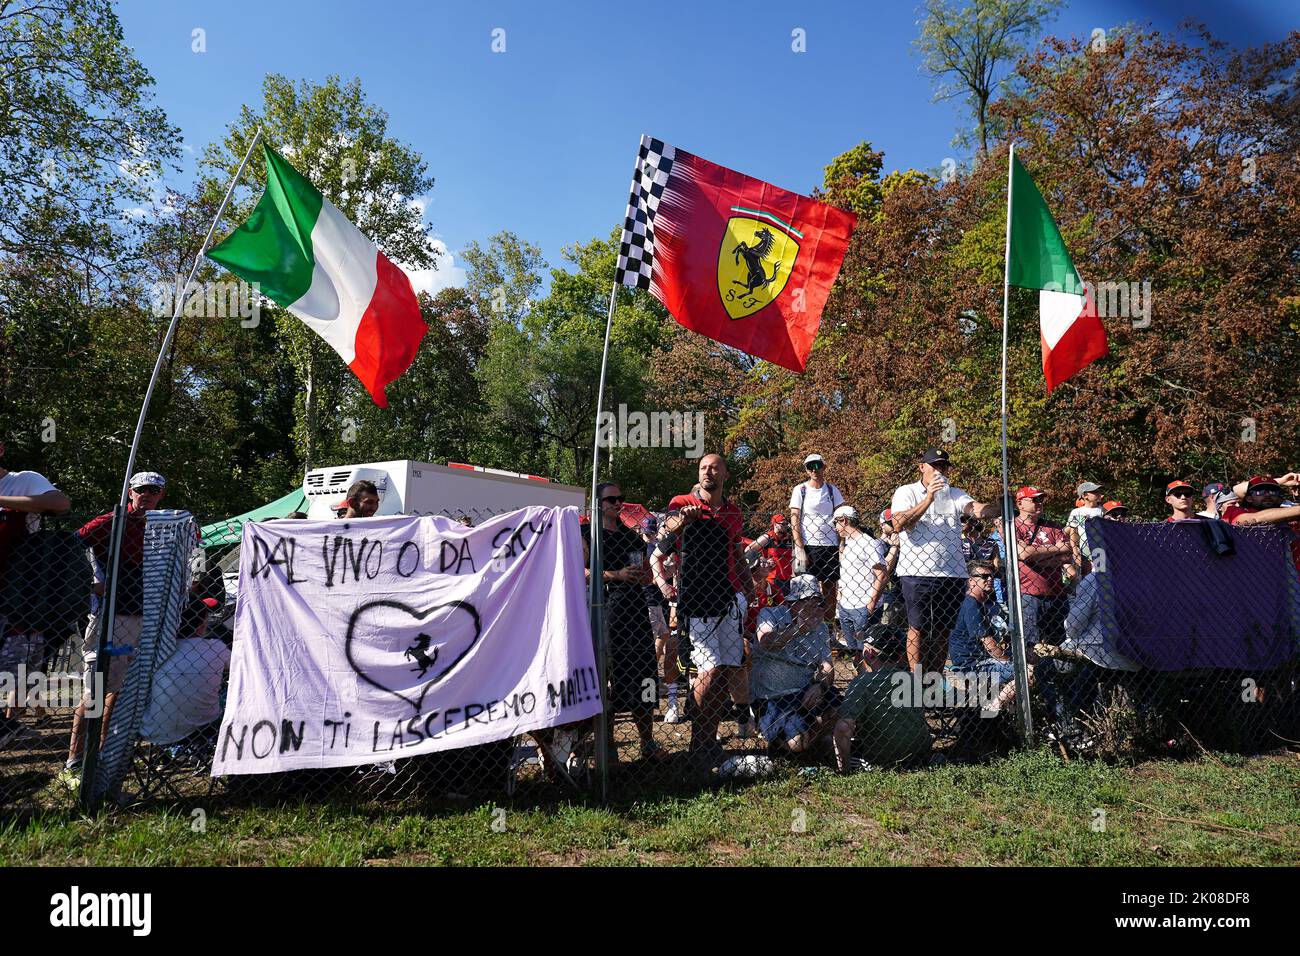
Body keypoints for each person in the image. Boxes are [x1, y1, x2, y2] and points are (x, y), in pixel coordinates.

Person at [61, 471, 167, 787]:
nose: (146, 495)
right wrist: (92, 580)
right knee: (94, 690)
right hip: (110, 616)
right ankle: (74, 760)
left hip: (142, 617)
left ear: (161, 495)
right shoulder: (112, 521)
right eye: (140, 490)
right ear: (130, 492)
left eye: (153, 490)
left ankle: (103, 756)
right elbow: (73, 544)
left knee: (118, 693)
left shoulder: (163, 527)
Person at [654, 454, 755, 768]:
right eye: (702, 468)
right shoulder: (682, 501)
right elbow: (665, 529)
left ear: (725, 472)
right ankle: (698, 742)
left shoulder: (733, 511)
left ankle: (709, 740)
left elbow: (736, 549)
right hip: (697, 600)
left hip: (729, 598)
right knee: (707, 672)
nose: (708, 472)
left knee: (726, 669)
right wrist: (683, 518)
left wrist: (747, 585)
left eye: (714, 467)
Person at [890, 447, 1000, 675]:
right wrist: (929, 498)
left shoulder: (955, 493)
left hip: (952, 572)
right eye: (935, 465)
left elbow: (976, 509)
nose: (940, 470)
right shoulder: (906, 491)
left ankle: (933, 681)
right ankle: (915, 681)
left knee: (942, 630)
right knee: (917, 628)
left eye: (943, 466)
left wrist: (1000, 507)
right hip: (917, 571)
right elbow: (899, 523)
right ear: (922, 467)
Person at [0, 441, 71, 748]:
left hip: (16, 594)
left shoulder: (22, 479)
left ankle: (9, 724)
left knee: (23, 669)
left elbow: (60, 504)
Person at [583, 482, 659, 759]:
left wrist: (641, 576)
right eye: (611, 499)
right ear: (597, 504)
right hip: (604, 611)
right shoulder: (587, 533)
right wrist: (616, 575)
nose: (618, 503)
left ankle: (647, 741)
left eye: (621, 498)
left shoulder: (631, 537)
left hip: (636, 612)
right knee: (608, 676)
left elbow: (650, 576)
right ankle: (608, 745)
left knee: (646, 674)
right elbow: (580, 570)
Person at [751, 574, 837, 758]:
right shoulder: (770, 614)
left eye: (817, 600)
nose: (813, 606)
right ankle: (799, 743)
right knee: (797, 743)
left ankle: (810, 740)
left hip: (806, 691)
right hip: (775, 696)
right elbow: (766, 642)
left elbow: (828, 666)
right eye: (807, 600)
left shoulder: (820, 626)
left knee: (843, 710)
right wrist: (799, 629)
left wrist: (819, 686)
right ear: (792, 602)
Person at [139, 597, 230, 750]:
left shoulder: (156, 651)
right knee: (229, 691)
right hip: (204, 728)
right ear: (202, 625)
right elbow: (238, 668)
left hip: (152, 730)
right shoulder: (216, 647)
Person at [946, 560, 1020, 714]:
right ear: (971, 581)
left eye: (992, 576)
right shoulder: (972, 605)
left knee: (1031, 657)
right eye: (984, 576)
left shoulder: (981, 603)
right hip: (973, 666)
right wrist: (1009, 661)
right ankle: (995, 705)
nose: (990, 579)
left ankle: (1008, 709)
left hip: (983, 661)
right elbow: (990, 645)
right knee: (1026, 670)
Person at [1011, 486, 1072, 647]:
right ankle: (1032, 672)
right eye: (1034, 499)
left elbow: (1068, 554)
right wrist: (1056, 549)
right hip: (1028, 594)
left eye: (1040, 499)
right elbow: (1023, 554)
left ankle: (1056, 673)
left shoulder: (1053, 526)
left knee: (1059, 644)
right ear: (1020, 504)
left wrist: (1036, 557)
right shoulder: (1012, 525)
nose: (1039, 503)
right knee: (1031, 644)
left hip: (1057, 594)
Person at [789, 454, 844, 624]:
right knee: (805, 589)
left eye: (817, 465)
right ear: (806, 470)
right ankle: (805, 627)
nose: (814, 469)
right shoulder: (800, 490)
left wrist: (842, 543)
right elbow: (794, 518)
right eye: (810, 466)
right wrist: (799, 548)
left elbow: (841, 516)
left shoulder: (832, 490)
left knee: (829, 589)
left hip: (830, 545)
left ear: (824, 466)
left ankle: (828, 629)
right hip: (808, 546)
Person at [833, 505, 888, 673]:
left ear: (844, 520)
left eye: (836, 523)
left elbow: (881, 575)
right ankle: (860, 686)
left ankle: (871, 687)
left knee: (868, 654)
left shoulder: (868, 543)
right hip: (846, 606)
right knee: (855, 654)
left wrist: (870, 605)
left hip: (863, 606)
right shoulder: (847, 544)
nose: (835, 528)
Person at [641, 515, 682, 724]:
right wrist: (665, 574)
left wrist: (669, 571)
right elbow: (651, 574)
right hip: (650, 599)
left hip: (657, 599)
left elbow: (661, 572)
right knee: (661, 635)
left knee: (664, 634)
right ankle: (652, 663)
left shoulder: (657, 546)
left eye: (651, 531)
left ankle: (653, 663)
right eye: (647, 532)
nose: (650, 535)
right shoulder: (647, 549)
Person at [1221, 476, 1300, 574]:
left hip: (1293, 576)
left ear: (1279, 498)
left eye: (1272, 492)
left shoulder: (1292, 513)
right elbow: (1249, 519)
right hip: (1255, 576)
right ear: (1249, 498)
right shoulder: (1235, 510)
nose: (1267, 495)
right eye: (1260, 492)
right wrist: (1282, 480)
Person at [745, 514, 793, 602]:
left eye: (786, 524)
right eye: (783, 524)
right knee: (771, 603)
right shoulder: (768, 537)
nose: (786, 526)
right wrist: (763, 560)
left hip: (786, 578)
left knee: (785, 605)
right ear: (775, 524)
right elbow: (748, 550)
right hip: (772, 578)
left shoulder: (788, 539)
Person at [1066, 481, 1105, 570]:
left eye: (1098, 491)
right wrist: (1075, 551)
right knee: (1087, 574)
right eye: (1094, 491)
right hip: (1085, 549)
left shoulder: (1103, 510)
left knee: (1100, 573)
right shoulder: (1077, 512)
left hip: (1101, 548)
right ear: (1084, 495)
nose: (1098, 493)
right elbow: (1073, 532)